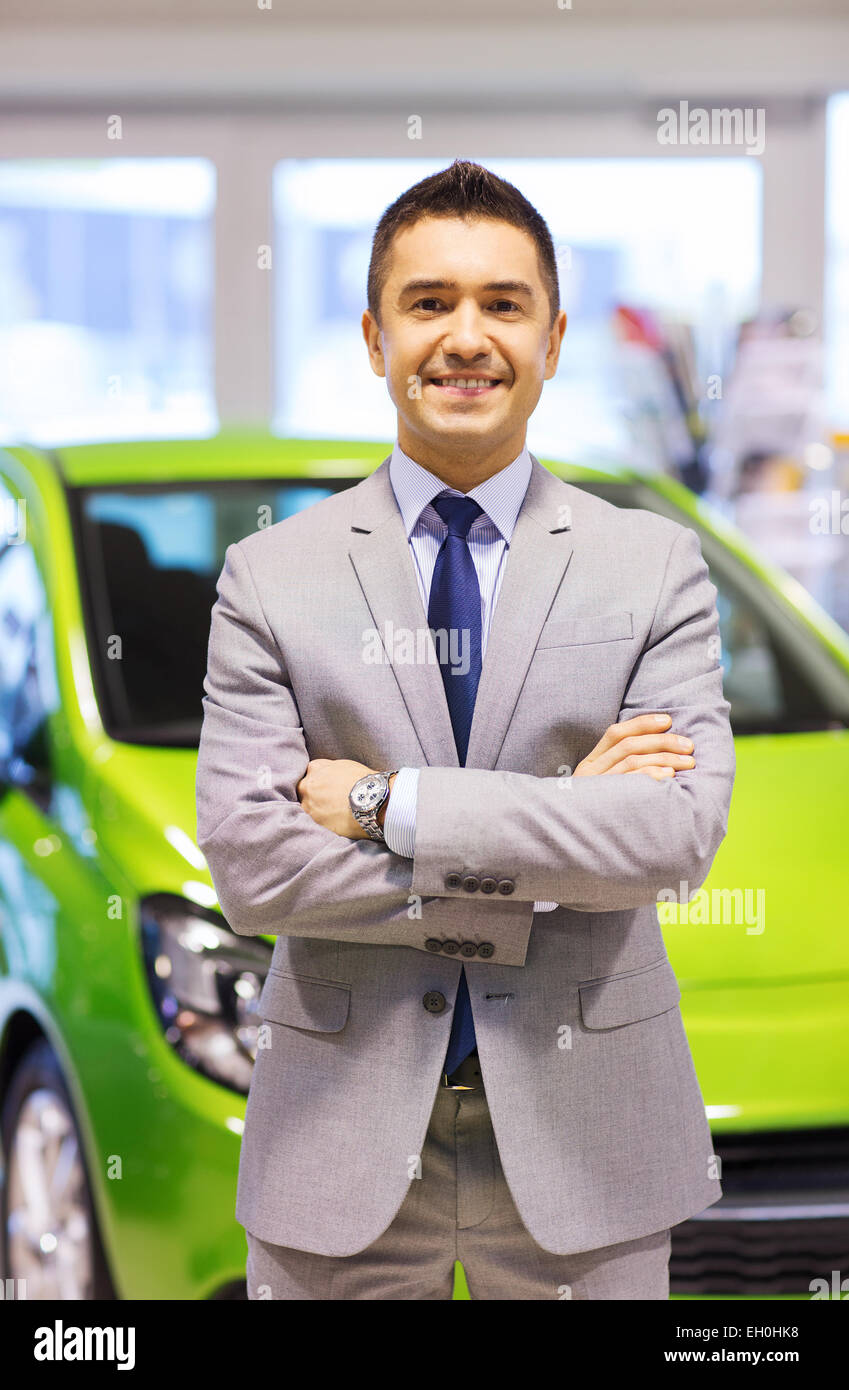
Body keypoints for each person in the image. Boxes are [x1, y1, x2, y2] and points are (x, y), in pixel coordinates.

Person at [195, 159, 735, 1300]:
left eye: (503, 303)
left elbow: (670, 837)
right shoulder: (270, 577)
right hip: (333, 1142)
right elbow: (251, 869)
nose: (465, 337)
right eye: (428, 302)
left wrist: (389, 806)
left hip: (591, 1138)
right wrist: (553, 844)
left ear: (551, 335)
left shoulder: (652, 565)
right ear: (373, 334)